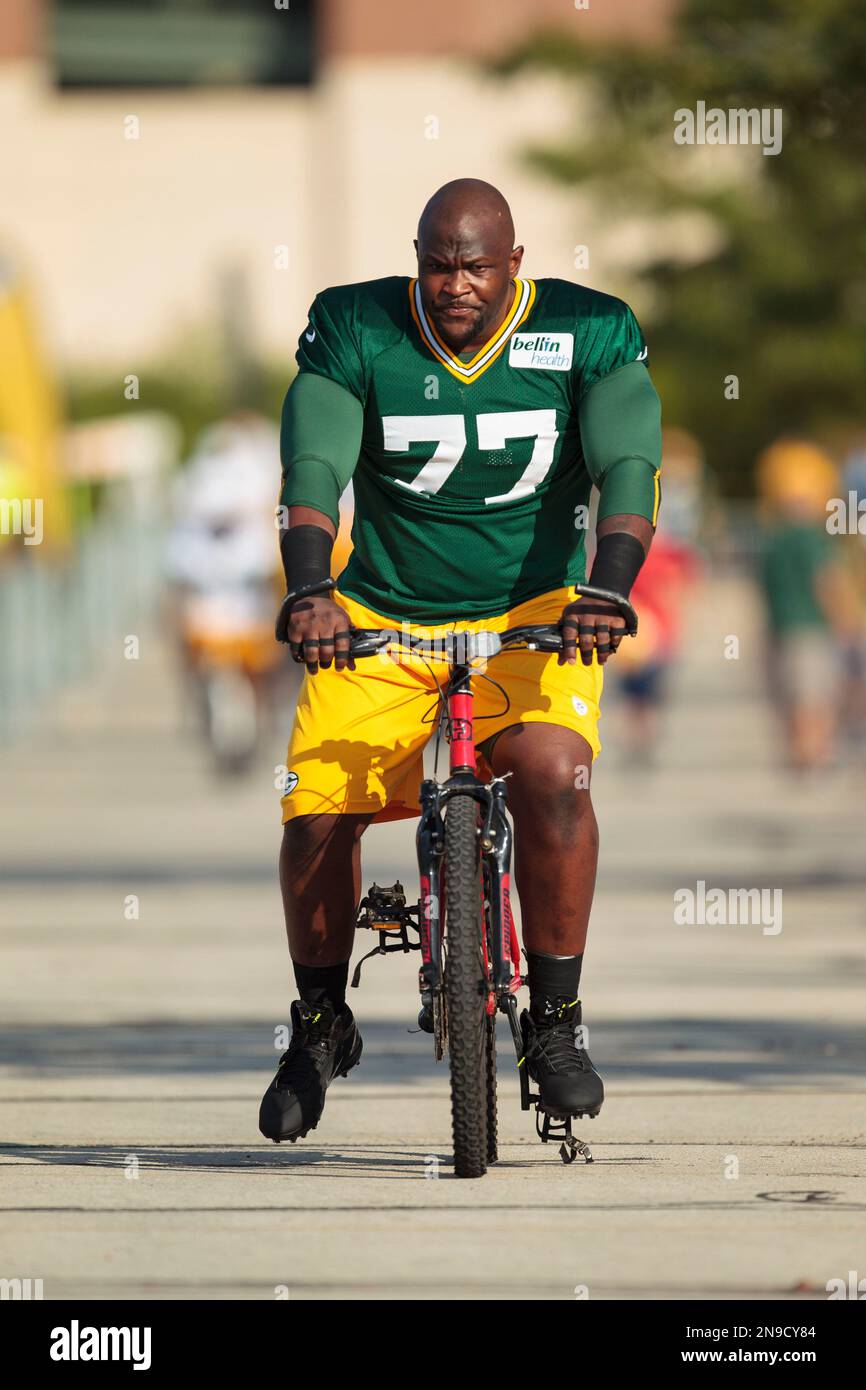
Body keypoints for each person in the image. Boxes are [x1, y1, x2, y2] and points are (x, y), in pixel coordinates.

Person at [259, 179, 662, 1145]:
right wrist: (310, 586)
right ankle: (319, 1024)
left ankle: (556, 1024)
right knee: (317, 807)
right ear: (416, 260)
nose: (455, 285)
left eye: (476, 265)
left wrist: (608, 587)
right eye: (437, 264)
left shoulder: (586, 327)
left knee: (556, 772)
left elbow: (629, 467)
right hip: (382, 612)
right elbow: (313, 469)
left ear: (513, 263)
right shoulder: (354, 325)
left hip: (540, 612)